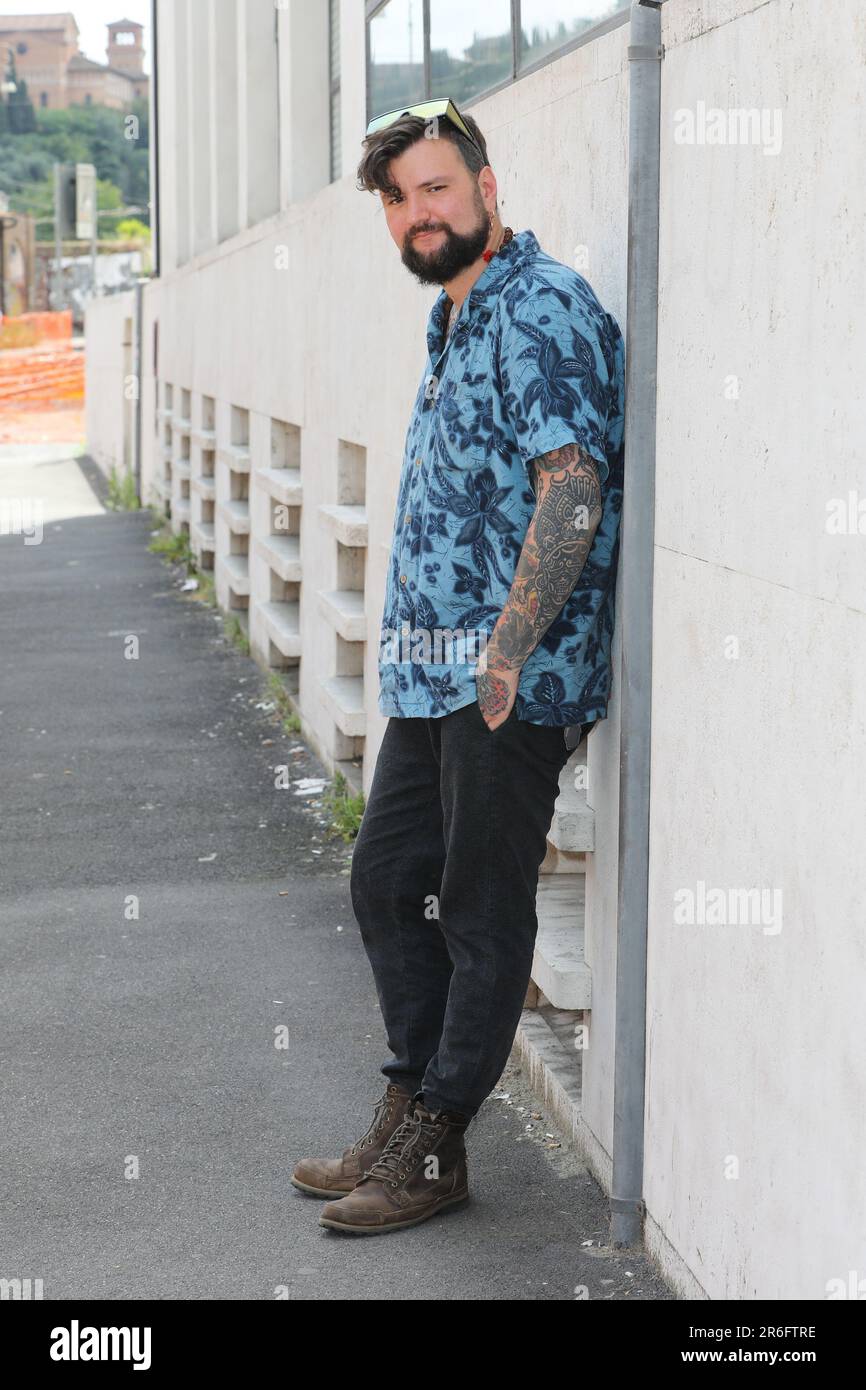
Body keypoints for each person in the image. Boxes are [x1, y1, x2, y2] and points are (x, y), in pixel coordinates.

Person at [292, 99, 624, 1236]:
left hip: (504, 683)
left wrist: (506, 654)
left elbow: (571, 489)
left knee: (478, 912)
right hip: (431, 677)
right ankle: (408, 1103)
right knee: (389, 884)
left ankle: (432, 1147)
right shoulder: (457, 312)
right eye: (398, 199)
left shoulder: (537, 308)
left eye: (435, 188)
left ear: (486, 186)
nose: (417, 213)